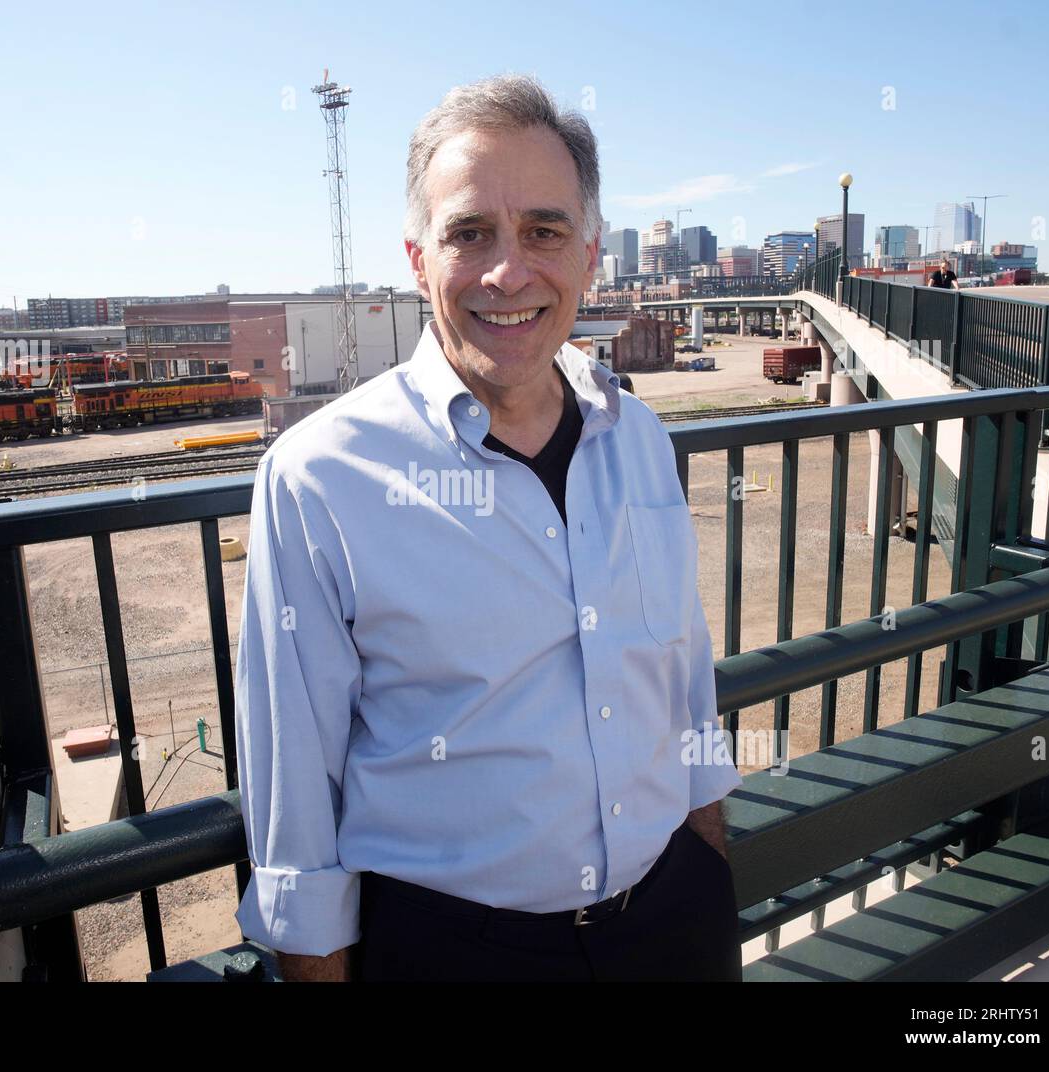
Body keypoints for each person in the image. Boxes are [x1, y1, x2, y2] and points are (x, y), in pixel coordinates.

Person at [233, 73, 742, 982]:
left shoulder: (640, 439)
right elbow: (293, 787)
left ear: (589, 255)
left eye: (544, 231)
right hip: (457, 953)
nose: (509, 273)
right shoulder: (321, 478)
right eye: (470, 233)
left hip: (674, 918)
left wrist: (708, 855)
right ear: (418, 259)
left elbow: (684, 673)